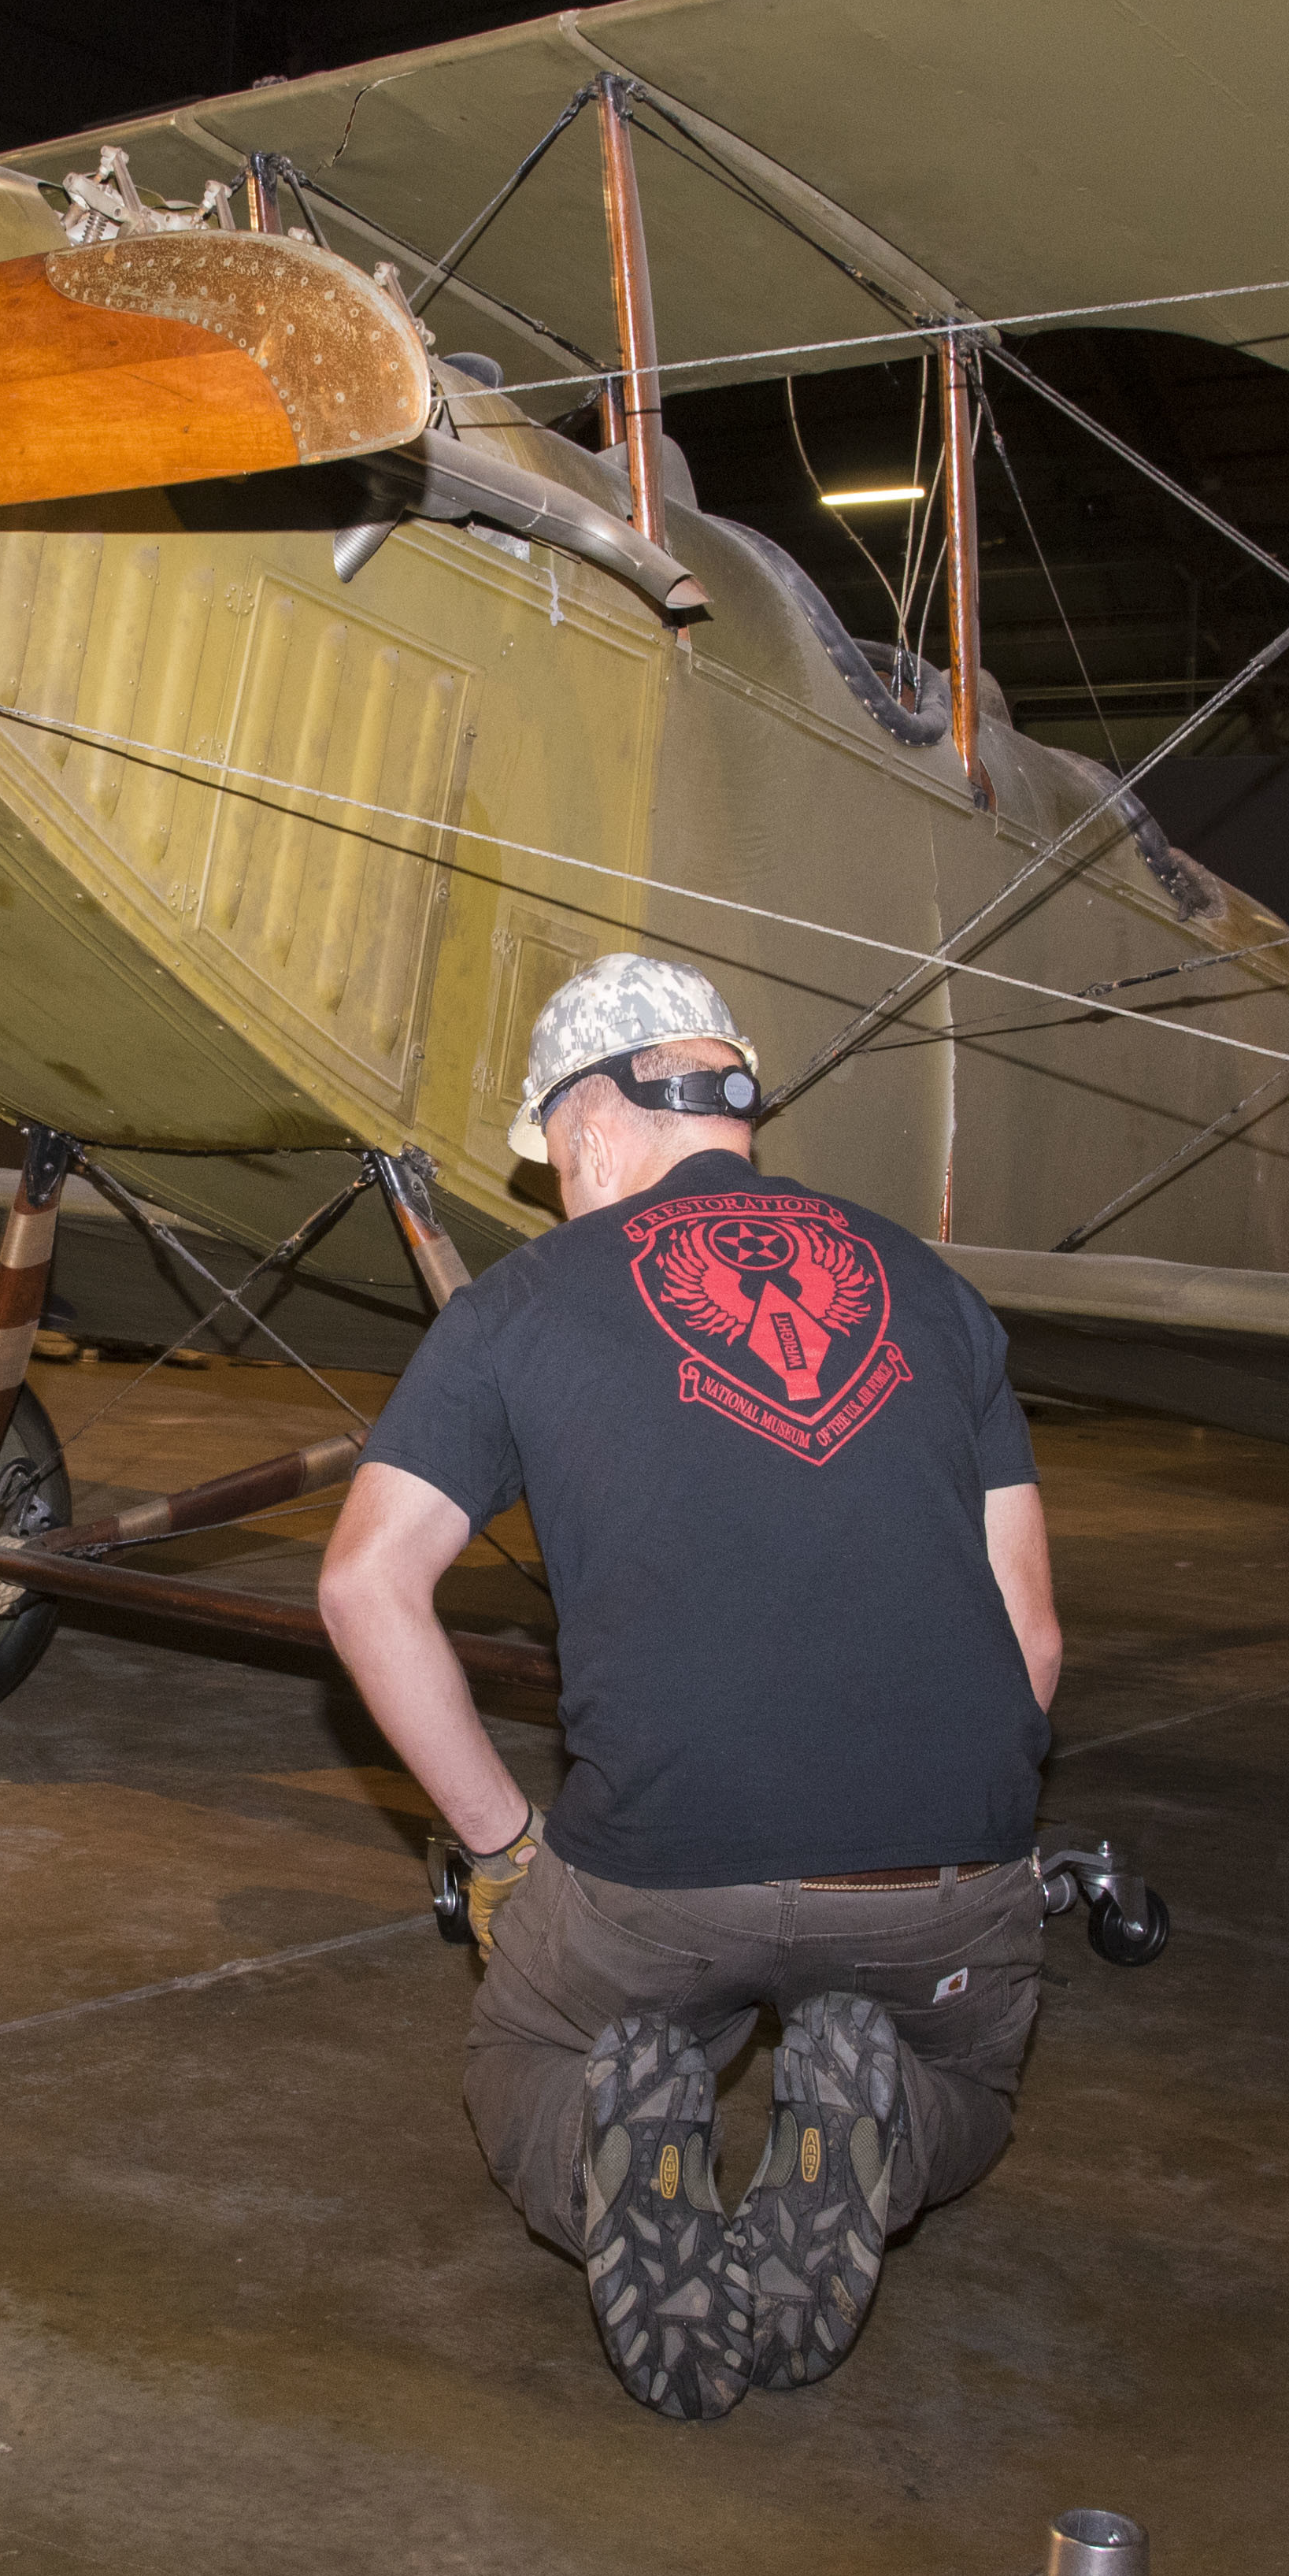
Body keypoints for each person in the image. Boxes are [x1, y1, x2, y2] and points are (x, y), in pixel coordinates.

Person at [314, 952, 1064, 2423]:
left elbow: (364, 1587)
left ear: (591, 1128)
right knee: (962, 2080)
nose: (552, 1194)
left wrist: (501, 1849)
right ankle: (880, 2113)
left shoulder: (518, 1305)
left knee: (537, 2045)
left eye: (550, 1165)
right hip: (939, 1861)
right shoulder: (931, 1289)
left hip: (665, 1872)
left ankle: (618, 2138)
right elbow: (1029, 1639)